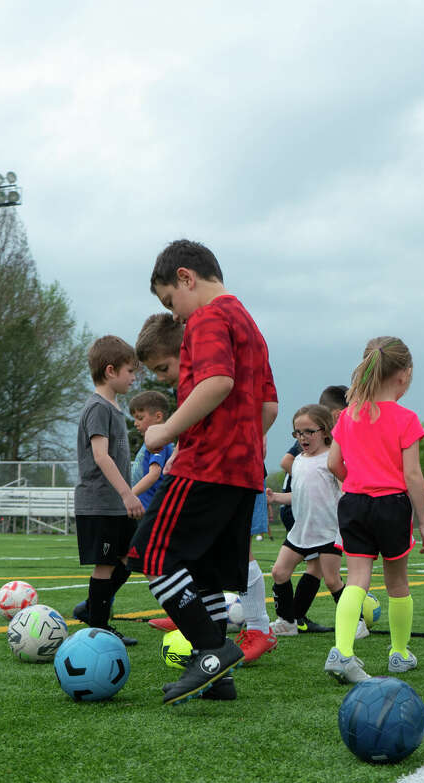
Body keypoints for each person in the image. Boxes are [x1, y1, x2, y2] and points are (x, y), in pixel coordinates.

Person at [126, 240, 278, 705]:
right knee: (205, 573)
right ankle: (218, 677)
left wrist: (167, 432)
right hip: (243, 471)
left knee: (152, 555)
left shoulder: (208, 317)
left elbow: (217, 382)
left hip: (206, 464)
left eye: (171, 302)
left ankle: (212, 651)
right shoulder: (248, 322)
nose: (176, 316)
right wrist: (242, 438)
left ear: (187, 278)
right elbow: (268, 405)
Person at [324, 337, 424, 684]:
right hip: (392, 505)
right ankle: (399, 654)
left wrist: (355, 480)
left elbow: (332, 463)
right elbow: (412, 475)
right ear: (404, 374)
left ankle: (342, 652)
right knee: (397, 583)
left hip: (353, 504)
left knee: (356, 579)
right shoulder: (406, 419)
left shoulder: (348, 415)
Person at [265, 404, 363, 640]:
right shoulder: (298, 460)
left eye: (309, 431)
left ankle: (357, 623)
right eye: (298, 433)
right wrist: (276, 497)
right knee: (279, 572)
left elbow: (346, 493)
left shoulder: (333, 459)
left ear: (325, 431)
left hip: (328, 532)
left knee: (331, 580)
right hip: (301, 532)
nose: (303, 437)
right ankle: (287, 622)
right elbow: (299, 496)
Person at [74, 336, 143, 647]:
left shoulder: (115, 407)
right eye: (131, 371)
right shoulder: (98, 407)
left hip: (115, 503)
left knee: (129, 558)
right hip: (99, 503)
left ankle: (91, 609)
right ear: (111, 370)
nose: (134, 377)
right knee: (105, 564)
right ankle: (99, 627)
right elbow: (101, 456)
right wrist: (128, 494)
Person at [128, 391, 174, 511]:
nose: (135, 423)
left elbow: (154, 473)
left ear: (158, 417)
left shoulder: (159, 442)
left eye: (140, 418)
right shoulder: (150, 442)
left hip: (152, 508)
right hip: (145, 507)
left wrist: (129, 496)